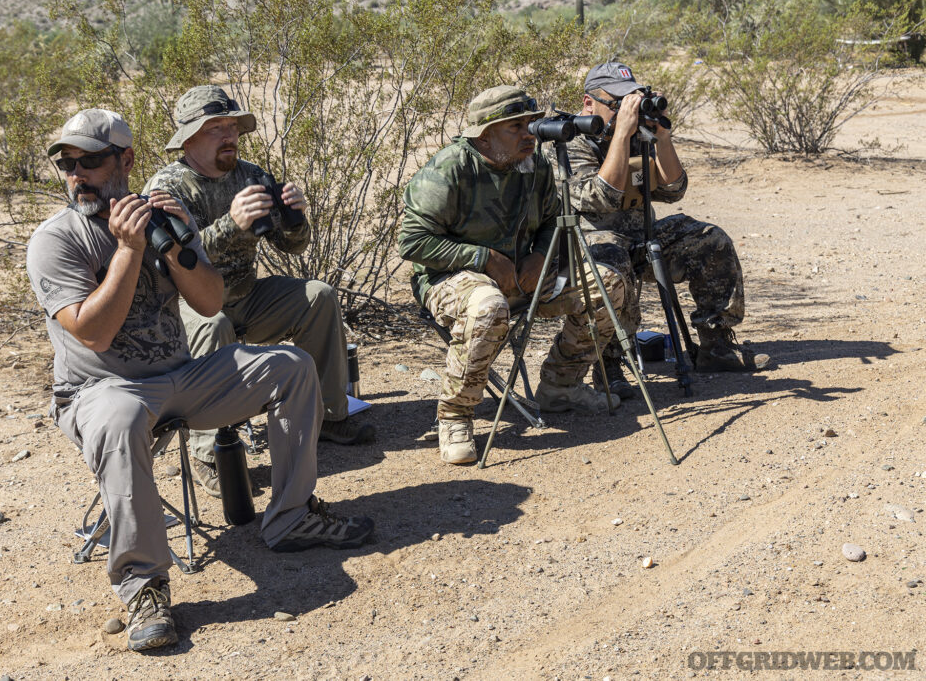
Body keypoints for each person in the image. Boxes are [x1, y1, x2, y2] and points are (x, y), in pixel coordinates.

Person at [27, 109, 374, 652]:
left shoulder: (160, 220)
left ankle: (290, 517)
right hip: (101, 391)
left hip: (180, 376)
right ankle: (145, 586)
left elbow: (209, 303)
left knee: (291, 366)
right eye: (67, 164)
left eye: (89, 161)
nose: (77, 175)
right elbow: (92, 333)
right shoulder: (57, 239)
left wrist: (178, 239)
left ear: (126, 161)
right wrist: (127, 250)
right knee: (120, 418)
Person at [143, 85, 374, 498]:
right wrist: (232, 223)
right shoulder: (167, 189)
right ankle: (210, 453)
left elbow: (291, 246)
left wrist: (295, 217)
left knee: (319, 296)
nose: (230, 135)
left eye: (233, 126)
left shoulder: (250, 175)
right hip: (190, 304)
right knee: (213, 325)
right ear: (190, 139)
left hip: (247, 296)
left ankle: (331, 415)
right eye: (216, 128)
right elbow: (174, 263)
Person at [399, 85, 629, 465]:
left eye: (531, 125)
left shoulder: (533, 165)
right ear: (484, 136)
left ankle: (561, 385)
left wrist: (542, 253)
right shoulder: (449, 169)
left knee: (608, 285)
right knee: (488, 304)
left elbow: (555, 218)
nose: (529, 135)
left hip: (525, 276)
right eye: (516, 127)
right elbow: (412, 242)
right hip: (452, 279)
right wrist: (483, 258)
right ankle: (456, 414)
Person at [551, 62, 769, 396]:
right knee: (614, 263)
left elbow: (673, 189)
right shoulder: (570, 141)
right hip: (594, 246)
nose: (628, 111)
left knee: (710, 240)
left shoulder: (640, 135)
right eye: (619, 104)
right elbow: (601, 197)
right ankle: (609, 365)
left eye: (632, 101)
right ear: (589, 103)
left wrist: (662, 137)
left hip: (644, 236)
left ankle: (716, 345)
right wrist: (622, 135)